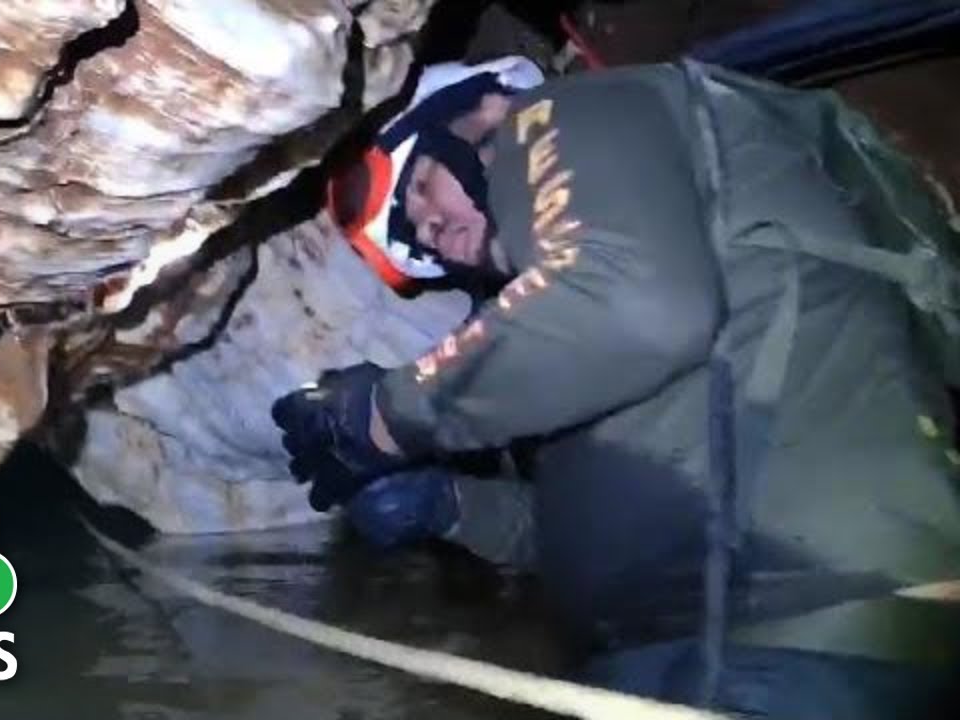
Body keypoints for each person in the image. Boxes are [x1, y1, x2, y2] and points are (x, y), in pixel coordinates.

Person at [273, 58, 960, 717]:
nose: (432, 229)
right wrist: (453, 507)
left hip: (787, 618)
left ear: (476, 110)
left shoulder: (558, 111)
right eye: (419, 237)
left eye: (420, 187)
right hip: (739, 631)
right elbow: (627, 507)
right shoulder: (570, 333)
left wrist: (390, 413)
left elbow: (639, 307)